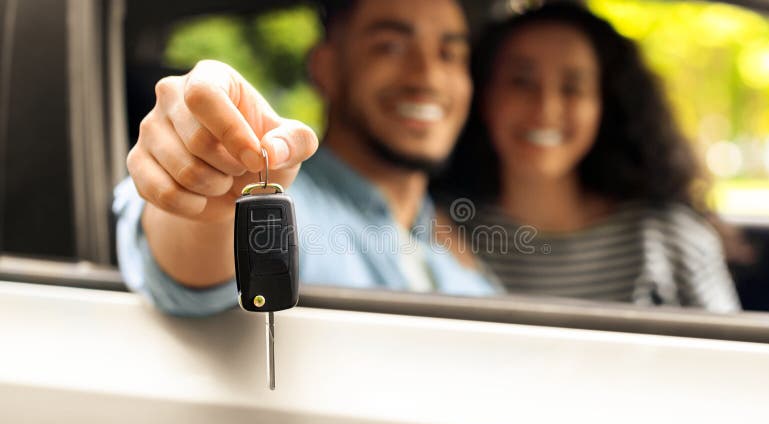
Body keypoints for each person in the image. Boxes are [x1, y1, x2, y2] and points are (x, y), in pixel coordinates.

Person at [114, 0, 499, 317]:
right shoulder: (285, 198)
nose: (427, 76)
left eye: (450, 54)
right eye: (391, 47)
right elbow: (189, 260)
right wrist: (207, 197)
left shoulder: (450, 234)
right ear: (325, 67)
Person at [438, 3, 740, 312]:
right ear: (483, 97)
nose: (546, 109)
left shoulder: (670, 239)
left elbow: (737, 358)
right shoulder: (434, 231)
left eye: (573, 88)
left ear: (603, 106)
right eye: (521, 82)